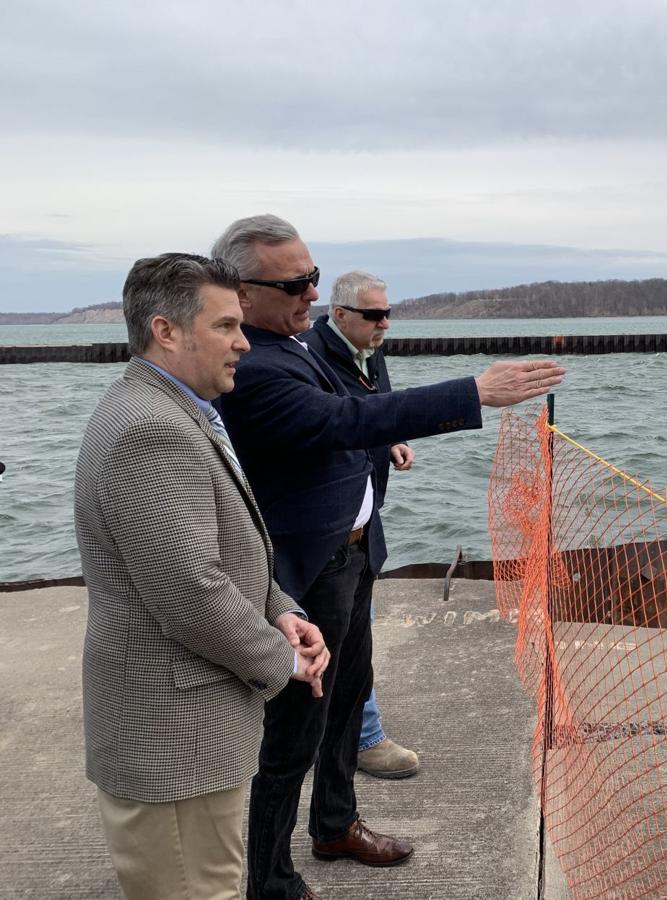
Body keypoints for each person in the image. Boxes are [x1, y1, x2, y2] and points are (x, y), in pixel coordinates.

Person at [211, 214, 564, 900]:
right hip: (307, 571)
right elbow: (335, 420)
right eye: (295, 284)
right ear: (240, 290)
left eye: (313, 279)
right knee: (294, 730)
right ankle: (270, 879)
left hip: (352, 557)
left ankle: (336, 824)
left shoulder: (297, 341)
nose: (309, 295)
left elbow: (354, 408)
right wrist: (472, 394)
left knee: (346, 702)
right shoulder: (252, 363)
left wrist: (385, 444)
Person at [74, 253, 330, 900]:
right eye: (225, 327)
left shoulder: (173, 409)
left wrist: (281, 610)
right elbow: (191, 592)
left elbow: (221, 551)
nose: (244, 342)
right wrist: (283, 660)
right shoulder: (149, 429)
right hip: (175, 741)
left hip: (187, 734)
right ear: (167, 331)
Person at [303, 270, 418, 780]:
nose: (385, 324)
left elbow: (373, 415)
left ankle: (345, 739)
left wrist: (389, 440)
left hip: (364, 521)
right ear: (341, 314)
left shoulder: (371, 351)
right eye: (374, 315)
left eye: (388, 313)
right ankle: (362, 738)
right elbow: (329, 425)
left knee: (352, 636)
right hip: (325, 529)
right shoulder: (309, 357)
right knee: (339, 638)